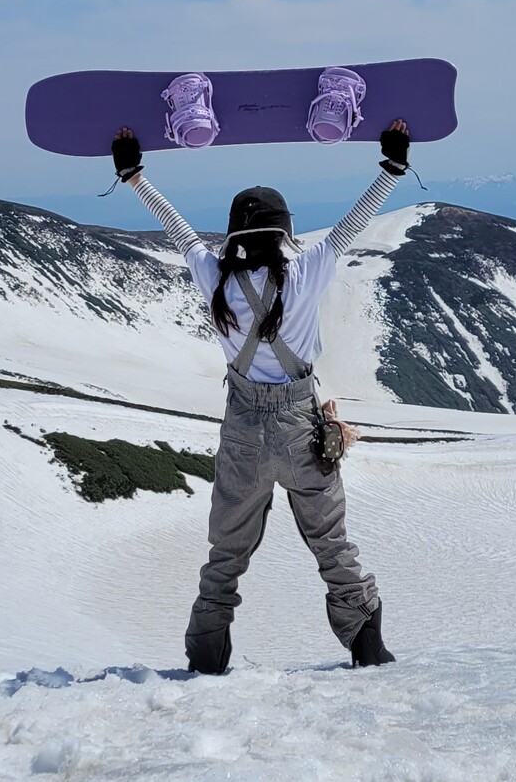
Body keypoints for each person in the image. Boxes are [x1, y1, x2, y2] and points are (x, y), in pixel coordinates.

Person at [109, 118, 412, 674]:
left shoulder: (217, 282)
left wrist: (133, 175)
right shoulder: (303, 276)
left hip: (243, 431)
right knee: (331, 543)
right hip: (301, 429)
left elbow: (177, 229)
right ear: (282, 232)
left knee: (225, 554)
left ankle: (206, 660)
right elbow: (352, 224)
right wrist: (391, 168)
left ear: (235, 236)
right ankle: (367, 648)